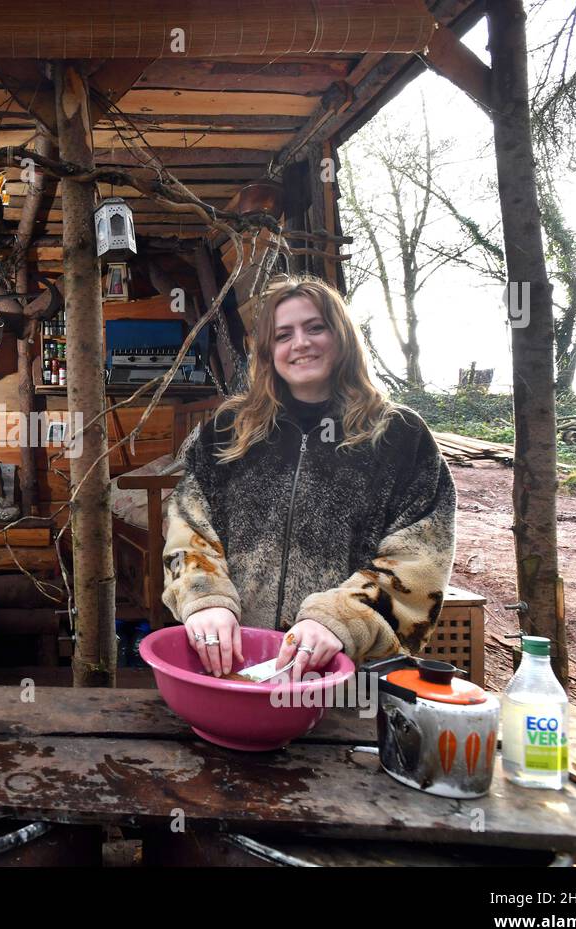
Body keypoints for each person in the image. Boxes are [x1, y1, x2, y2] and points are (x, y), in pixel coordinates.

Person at [162, 276, 456, 678]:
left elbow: (421, 557)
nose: (300, 343)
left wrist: (338, 617)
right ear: (268, 352)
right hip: (235, 662)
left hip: (347, 671)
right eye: (283, 335)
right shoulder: (228, 430)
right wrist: (206, 597)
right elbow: (188, 528)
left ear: (342, 337)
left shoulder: (401, 436)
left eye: (315, 327)